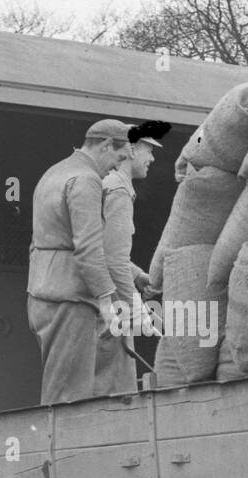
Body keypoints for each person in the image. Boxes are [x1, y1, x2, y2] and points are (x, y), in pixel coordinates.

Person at [27, 119, 132, 405]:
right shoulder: (86, 180)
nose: (116, 167)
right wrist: (108, 300)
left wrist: (131, 272)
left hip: (42, 294)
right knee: (69, 399)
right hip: (70, 299)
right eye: (119, 158)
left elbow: (53, 236)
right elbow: (87, 249)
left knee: (61, 386)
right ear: (106, 144)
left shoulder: (55, 172)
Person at [94, 129, 164, 395]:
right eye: (149, 150)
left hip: (99, 298)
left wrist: (136, 274)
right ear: (132, 150)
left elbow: (102, 247)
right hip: (109, 304)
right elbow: (114, 261)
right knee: (118, 385)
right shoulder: (119, 190)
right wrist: (137, 312)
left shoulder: (108, 184)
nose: (153, 158)